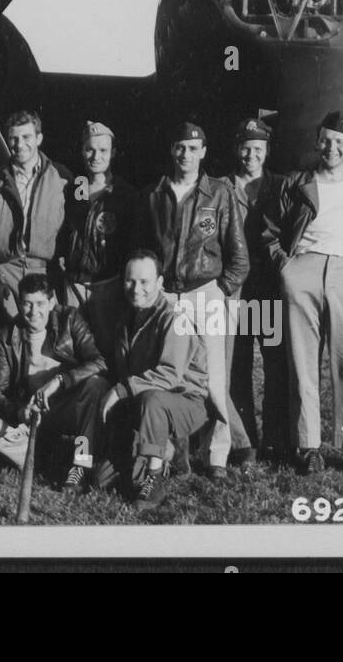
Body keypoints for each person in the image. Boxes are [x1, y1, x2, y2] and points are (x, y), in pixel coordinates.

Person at [262, 111, 343, 477]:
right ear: (318, 142)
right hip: (303, 269)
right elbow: (269, 231)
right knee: (303, 362)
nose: (332, 147)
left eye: (339, 142)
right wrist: (285, 267)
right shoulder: (296, 182)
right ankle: (309, 446)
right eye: (326, 140)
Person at [134, 121, 249, 479]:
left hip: (205, 292)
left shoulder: (219, 193)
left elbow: (239, 256)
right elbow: (145, 250)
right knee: (172, 373)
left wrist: (220, 291)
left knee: (214, 378)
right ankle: (176, 453)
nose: (186, 154)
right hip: (168, 297)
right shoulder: (155, 193)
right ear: (172, 150)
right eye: (180, 147)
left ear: (204, 152)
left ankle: (217, 455)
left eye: (193, 148)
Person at [92, 249, 210, 511]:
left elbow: (169, 375)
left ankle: (155, 477)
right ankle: (168, 453)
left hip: (184, 401)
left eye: (144, 282)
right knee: (102, 480)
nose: (136, 289)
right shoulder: (127, 317)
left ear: (159, 283)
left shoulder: (174, 318)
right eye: (130, 281)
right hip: (143, 404)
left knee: (153, 399)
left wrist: (121, 390)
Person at [0, 273, 110, 494]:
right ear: (19, 304)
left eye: (40, 304)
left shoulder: (69, 319)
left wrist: (61, 380)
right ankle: (50, 462)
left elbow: (99, 361)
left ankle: (80, 463)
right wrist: (19, 411)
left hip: (71, 406)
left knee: (95, 386)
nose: (34, 312)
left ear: (52, 302)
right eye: (27, 304)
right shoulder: (6, 335)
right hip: (33, 412)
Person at [221, 117, 289, 468]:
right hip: (234, 290)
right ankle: (243, 442)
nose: (251, 154)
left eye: (258, 149)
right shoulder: (220, 186)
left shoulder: (281, 185)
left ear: (267, 151)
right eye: (246, 148)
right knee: (236, 365)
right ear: (237, 149)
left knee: (276, 364)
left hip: (266, 289)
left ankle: (277, 441)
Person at [0, 109, 72, 332]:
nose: (19, 144)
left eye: (26, 137)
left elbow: (75, 225)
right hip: (5, 271)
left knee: (45, 340)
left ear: (39, 138)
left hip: (44, 271)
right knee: (4, 339)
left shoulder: (64, 178)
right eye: (13, 138)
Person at [58, 120, 137, 364]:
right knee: (72, 350)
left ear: (113, 153)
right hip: (74, 285)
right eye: (90, 149)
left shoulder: (125, 195)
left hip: (106, 286)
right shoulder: (73, 190)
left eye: (103, 150)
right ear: (82, 151)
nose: (95, 156)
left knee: (107, 351)